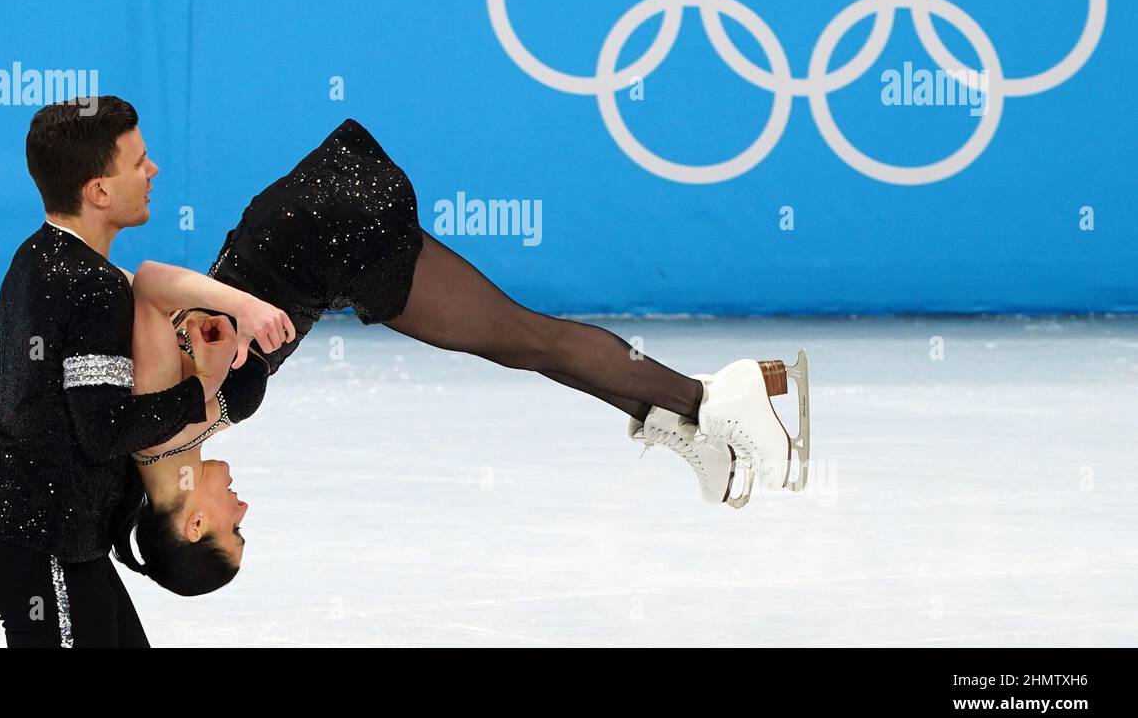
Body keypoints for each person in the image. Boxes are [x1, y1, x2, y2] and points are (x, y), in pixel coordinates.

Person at [112, 117, 812, 596]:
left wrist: (242, 308)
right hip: (321, 252)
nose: (244, 506)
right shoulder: (169, 443)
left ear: (193, 522)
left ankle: (718, 399)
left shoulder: (156, 430)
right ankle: (685, 416)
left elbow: (147, 283)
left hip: (328, 229)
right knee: (517, 344)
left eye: (233, 525)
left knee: (522, 336)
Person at [0, 97, 289, 647]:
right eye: (138, 162)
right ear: (99, 192)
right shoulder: (88, 283)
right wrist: (201, 390)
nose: (152, 170)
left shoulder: (41, 258)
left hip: (54, 530)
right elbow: (107, 428)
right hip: (38, 534)